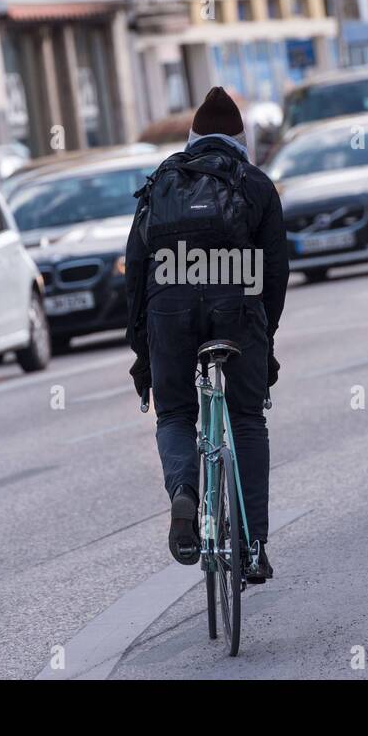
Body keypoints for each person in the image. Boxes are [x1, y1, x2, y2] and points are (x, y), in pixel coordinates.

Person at [125, 87, 288, 582]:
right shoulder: (255, 183)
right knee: (246, 420)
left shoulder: (161, 183)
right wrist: (266, 343)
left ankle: (184, 495)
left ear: (193, 138)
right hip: (234, 307)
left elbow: (135, 272)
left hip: (168, 308)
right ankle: (253, 548)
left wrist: (143, 354)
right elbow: (274, 273)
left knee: (175, 412)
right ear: (243, 141)